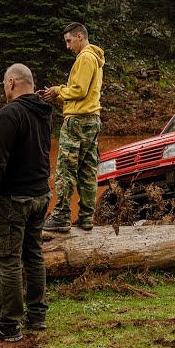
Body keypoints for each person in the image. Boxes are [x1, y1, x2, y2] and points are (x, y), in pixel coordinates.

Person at [0, 63, 53, 342]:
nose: (4, 88)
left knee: (7, 260)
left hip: (14, 199)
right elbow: (25, 137)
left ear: (11, 83)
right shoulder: (43, 110)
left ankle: (7, 325)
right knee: (33, 254)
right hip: (40, 196)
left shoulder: (10, 113)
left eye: (5, 83)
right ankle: (37, 316)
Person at [39, 22, 104, 233]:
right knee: (87, 170)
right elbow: (81, 95)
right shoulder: (94, 58)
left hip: (77, 122)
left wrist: (58, 90)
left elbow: (79, 90)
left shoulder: (85, 58)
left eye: (69, 41)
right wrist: (57, 97)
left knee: (66, 169)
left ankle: (61, 216)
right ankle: (86, 217)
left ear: (79, 36)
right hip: (91, 119)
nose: (68, 46)